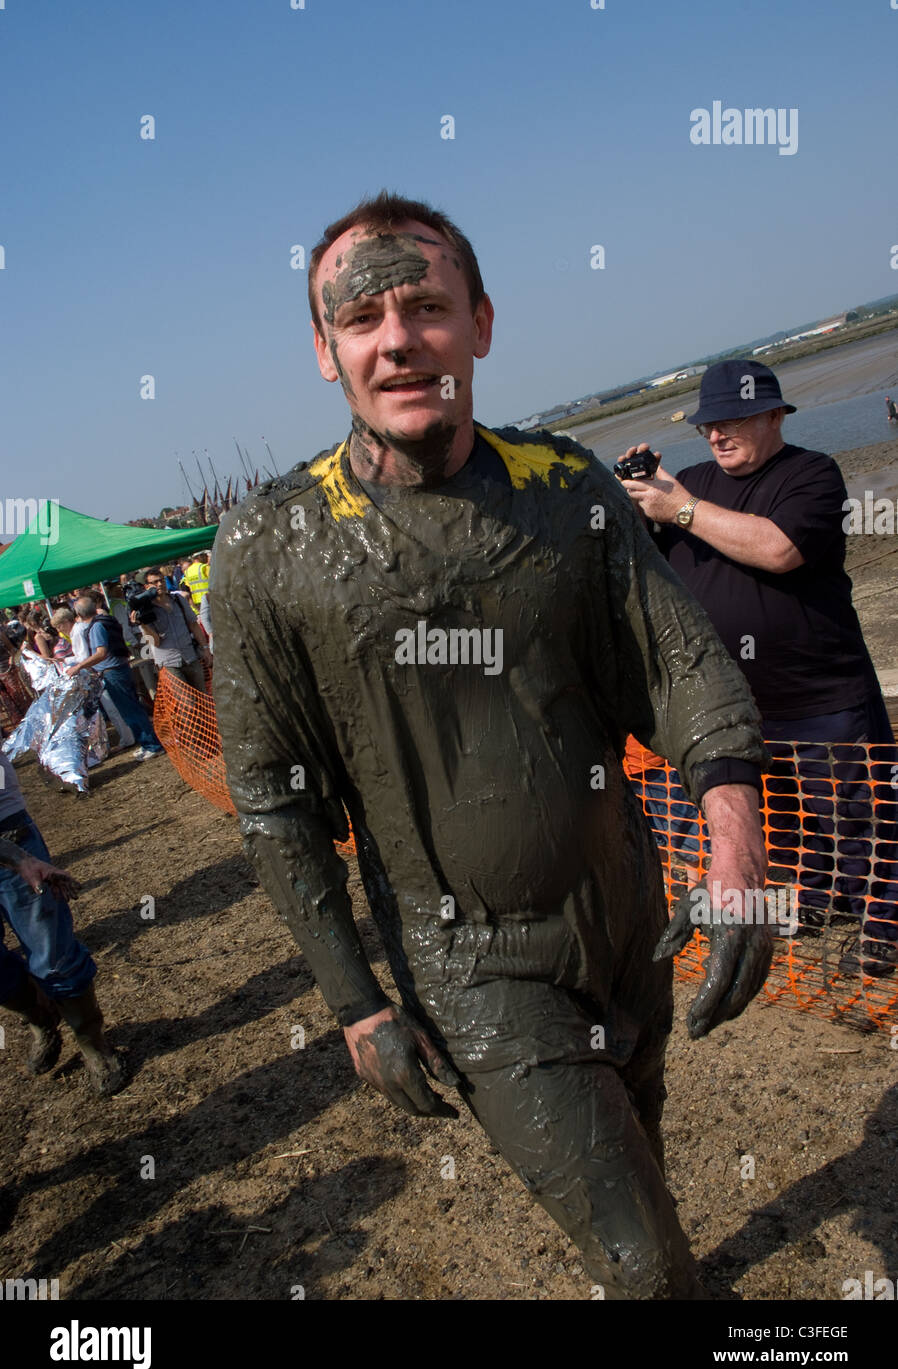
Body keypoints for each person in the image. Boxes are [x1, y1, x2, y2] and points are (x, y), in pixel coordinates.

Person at [211, 192, 774, 1300]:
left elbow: (682, 669)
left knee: (640, 1166)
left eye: (423, 304)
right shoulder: (270, 548)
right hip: (472, 965)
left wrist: (737, 852)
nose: (397, 338)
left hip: (628, 921)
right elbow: (272, 802)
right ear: (324, 353)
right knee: (645, 1262)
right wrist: (355, 1002)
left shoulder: (565, 488)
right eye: (360, 317)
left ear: (480, 320)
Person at [619, 359, 897, 977]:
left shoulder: (810, 475)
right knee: (788, 828)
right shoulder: (688, 481)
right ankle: (820, 903)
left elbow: (779, 549)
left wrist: (682, 508)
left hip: (823, 699)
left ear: (775, 415)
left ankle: (884, 926)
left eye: (732, 420)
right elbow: (632, 549)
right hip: (740, 709)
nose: (716, 434)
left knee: (862, 821)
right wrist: (636, 497)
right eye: (707, 425)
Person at [0, 749, 125, 1095]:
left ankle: (92, 1041)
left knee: (52, 955)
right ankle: (40, 1016)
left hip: (7, 828)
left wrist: (18, 858)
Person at [65, 596, 164, 760]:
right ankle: (147, 743)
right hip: (120, 668)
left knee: (131, 711)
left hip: (113, 672)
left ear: (80, 616)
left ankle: (152, 745)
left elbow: (101, 653)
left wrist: (79, 666)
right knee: (132, 709)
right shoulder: (107, 619)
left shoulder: (96, 627)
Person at [133, 569, 211, 694]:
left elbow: (193, 625)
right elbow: (155, 642)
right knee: (187, 705)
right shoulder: (145, 610)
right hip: (169, 663)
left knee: (203, 697)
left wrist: (205, 648)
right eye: (154, 582)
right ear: (146, 587)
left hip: (190, 657)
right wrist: (143, 624)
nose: (159, 584)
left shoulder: (178, 600)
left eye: (161, 580)